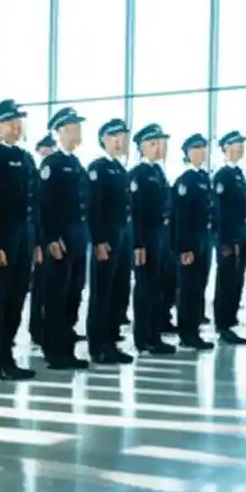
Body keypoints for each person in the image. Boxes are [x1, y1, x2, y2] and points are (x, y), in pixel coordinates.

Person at [0, 99, 39, 380]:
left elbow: (34, 202)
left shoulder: (26, 158)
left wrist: (36, 241)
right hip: (1, 242)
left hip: (23, 239)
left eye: (18, 121)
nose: (17, 126)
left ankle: (8, 356)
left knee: (15, 300)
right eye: (11, 121)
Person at [34, 106, 89, 370]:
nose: (78, 132)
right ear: (59, 132)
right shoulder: (51, 164)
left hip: (77, 237)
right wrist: (51, 237)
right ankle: (54, 351)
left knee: (73, 294)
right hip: (60, 238)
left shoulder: (75, 163)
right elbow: (44, 205)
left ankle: (67, 347)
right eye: (73, 127)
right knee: (56, 296)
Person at [86, 119, 134, 362]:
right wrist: (98, 240)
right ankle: (98, 344)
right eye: (114, 136)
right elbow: (93, 207)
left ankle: (112, 340)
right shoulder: (98, 168)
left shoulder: (121, 170)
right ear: (104, 139)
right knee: (102, 291)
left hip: (123, 235)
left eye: (123, 136)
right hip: (106, 237)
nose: (120, 140)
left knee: (119, 289)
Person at [129, 123, 177, 356]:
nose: (159, 148)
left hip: (161, 237)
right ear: (142, 147)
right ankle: (143, 337)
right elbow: (135, 212)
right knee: (146, 288)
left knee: (160, 287)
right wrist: (137, 243)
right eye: (154, 143)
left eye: (161, 143)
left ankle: (154, 333)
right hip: (146, 237)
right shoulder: (138, 174)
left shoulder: (158, 173)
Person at [172, 134, 215, 350]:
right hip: (191, 239)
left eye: (204, 149)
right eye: (197, 149)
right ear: (188, 153)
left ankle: (195, 327)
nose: (202, 153)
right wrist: (184, 247)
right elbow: (181, 217)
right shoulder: (185, 181)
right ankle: (187, 332)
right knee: (188, 287)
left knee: (199, 285)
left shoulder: (204, 178)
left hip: (204, 238)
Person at [212, 130, 246, 345]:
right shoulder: (223, 175)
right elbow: (220, 211)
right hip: (229, 236)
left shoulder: (238, 174)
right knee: (226, 279)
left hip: (240, 233)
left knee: (237, 279)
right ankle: (223, 324)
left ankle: (231, 318)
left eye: (242, 144)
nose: (240, 147)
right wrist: (227, 240)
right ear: (226, 147)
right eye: (236, 144)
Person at [28, 133, 57, 348]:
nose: (48, 151)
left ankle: (47, 327)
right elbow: (43, 207)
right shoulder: (44, 171)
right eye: (45, 148)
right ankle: (38, 328)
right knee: (41, 286)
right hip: (45, 235)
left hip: (46, 235)